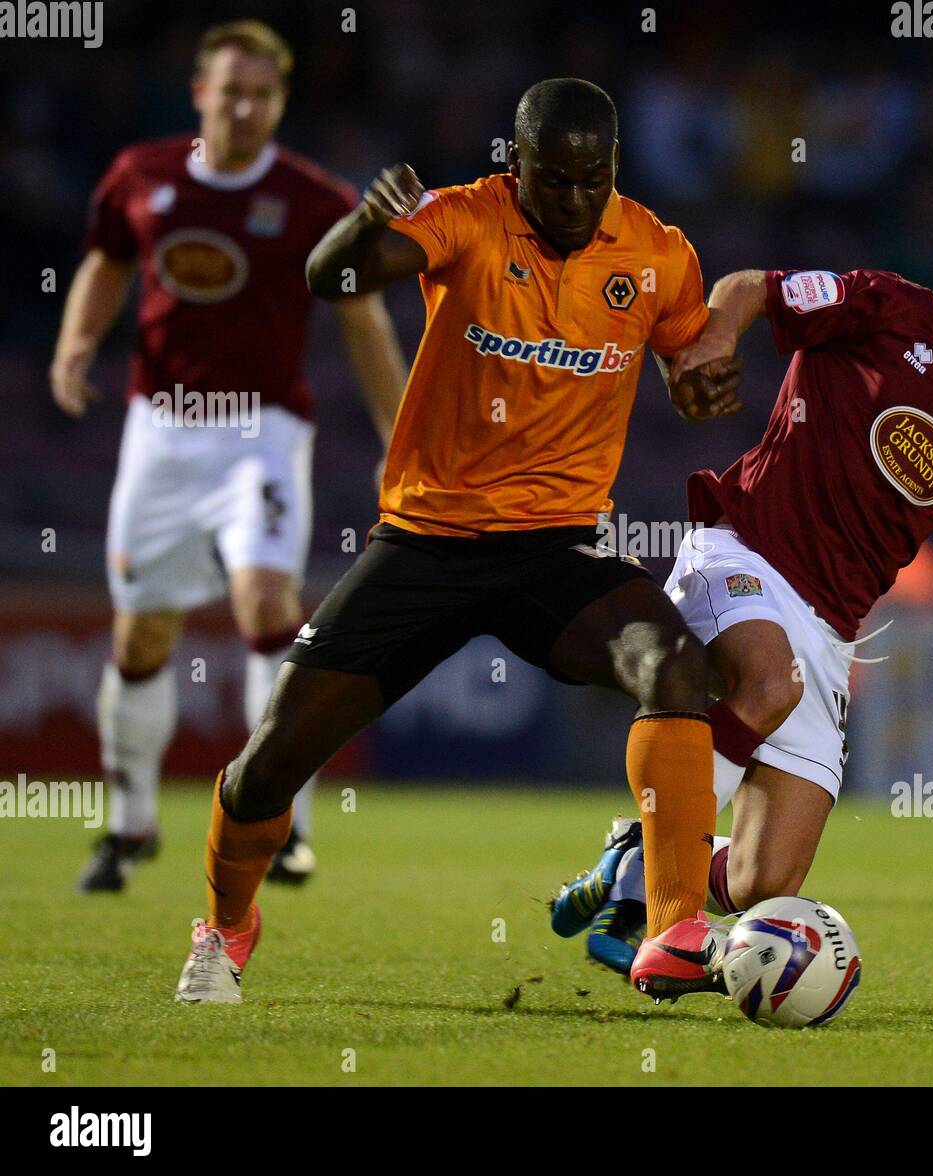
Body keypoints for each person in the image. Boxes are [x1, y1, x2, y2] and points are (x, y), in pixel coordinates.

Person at [175, 77, 745, 1004]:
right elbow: (332, 278)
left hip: (554, 549)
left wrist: (699, 383)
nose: (571, 198)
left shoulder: (656, 252)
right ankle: (225, 929)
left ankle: (674, 927)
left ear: (614, 171)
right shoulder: (465, 219)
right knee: (267, 764)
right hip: (426, 543)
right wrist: (365, 224)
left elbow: (691, 353)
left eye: (591, 179)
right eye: (552, 179)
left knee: (675, 665)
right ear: (513, 166)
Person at [549, 251, 933, 999]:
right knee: (768, 682)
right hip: (741, 549)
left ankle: (633, 861)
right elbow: (749, 290)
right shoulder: (889, 309)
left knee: (761, 881)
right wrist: (714, 343)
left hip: (831, 627)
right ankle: (660, 907)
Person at [50, 20, 407, 893]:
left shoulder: (315, 201)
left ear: (280, 102)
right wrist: (74, 346)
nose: (244, 107)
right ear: (200, 91)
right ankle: (129, 823)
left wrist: (402, 438)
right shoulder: (144, 176)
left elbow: (362, 319)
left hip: (263, 433)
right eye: (230, 90)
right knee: (143, 633)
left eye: (262, 93)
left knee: (266, 604)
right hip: (161, 432)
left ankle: (283, 823)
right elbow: (105, 261)